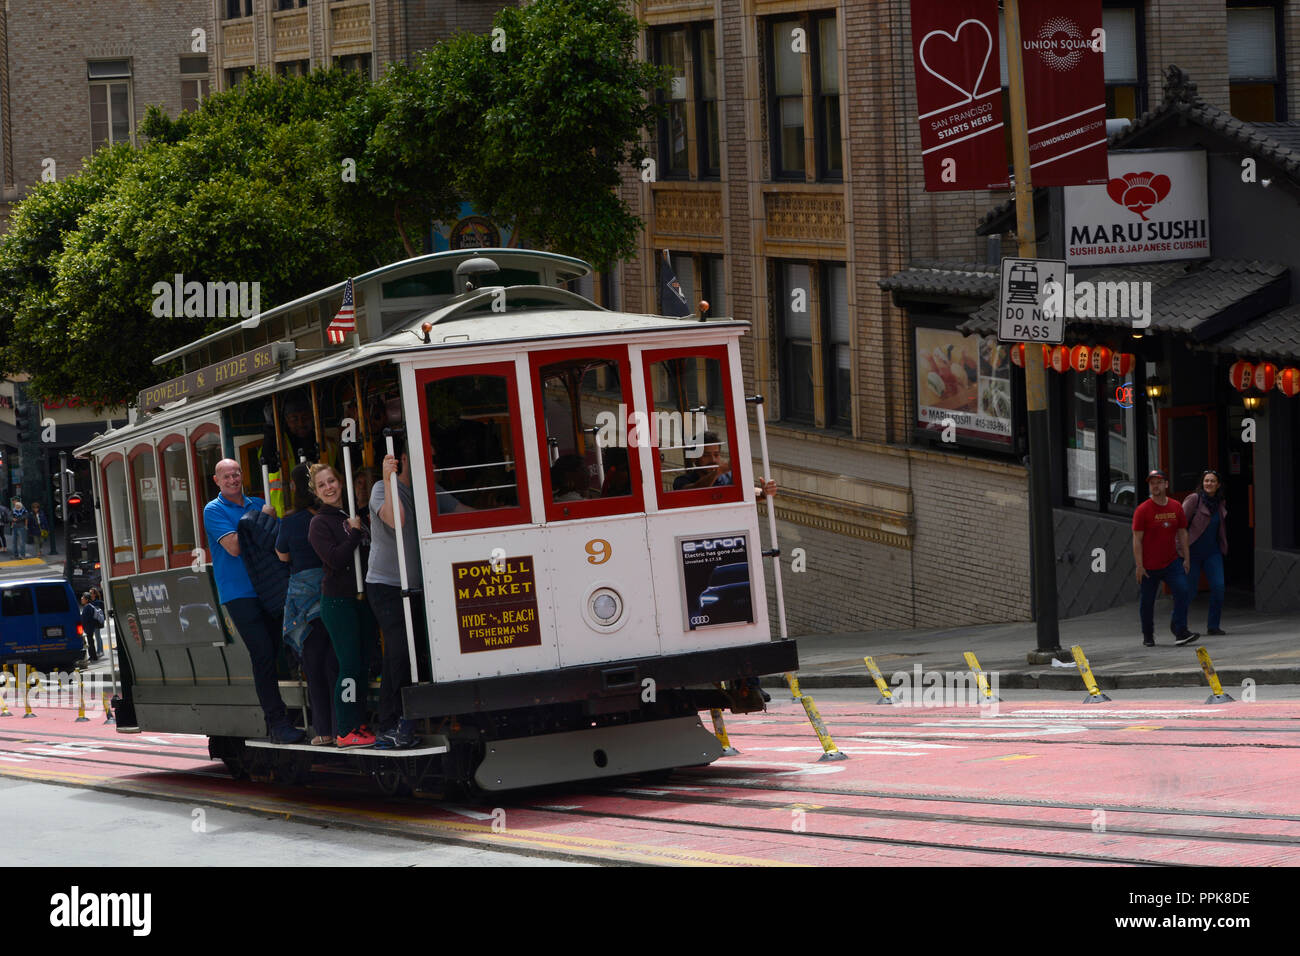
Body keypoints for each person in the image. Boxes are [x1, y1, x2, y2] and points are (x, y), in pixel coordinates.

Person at [202, 458, 305, 744]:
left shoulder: (258, 502)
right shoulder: (213, 510)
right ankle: (277, 722)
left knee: (278, 649)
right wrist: (262, 520)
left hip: (269, 587)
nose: (233, 480)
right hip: (238, 593)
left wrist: (263, 520)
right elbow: (234, 547)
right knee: (262, 654)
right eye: (227, 476)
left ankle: (295, 712)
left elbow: (278, 542)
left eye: (236, 474)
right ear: (217, 481)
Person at [307, 463, 376, 748]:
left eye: (332, 481)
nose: (329, 487)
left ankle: (359, 722)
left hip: (361, 599)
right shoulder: (320, 523)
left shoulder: (350, 515)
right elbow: (335, 560)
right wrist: (356, 534)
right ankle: (345, 728)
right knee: (348, 665)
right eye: (322, 485)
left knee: (362, 665)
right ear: (316, 491)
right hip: (338, 602)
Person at [367, 442, 426, 750]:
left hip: (416, 584)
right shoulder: (380, 488)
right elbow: (396, 519)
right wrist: (389, 479)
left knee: (409, 651)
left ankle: (400, 717)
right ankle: (389, 721)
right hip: (386, 584)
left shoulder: (427, 488)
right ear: (403, 459)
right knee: (400, 650)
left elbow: (457, 509)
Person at [276, 463, 339, 746]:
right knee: (334, 662)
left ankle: (324, 729)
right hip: (334, 590)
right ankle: (340, 727)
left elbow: (282, 556)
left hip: (305, 597)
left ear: (295, 489)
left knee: (313, 664)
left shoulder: (291, 521)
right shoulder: (331, 516)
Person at [1132, 468, 1199, 648]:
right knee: (1147, 602)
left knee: (1183, 591)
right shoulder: (1142, 510)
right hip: (1149, 565)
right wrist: (1139, 565)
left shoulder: (1176, 506)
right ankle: (1148, 634)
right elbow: (1137, 539)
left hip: (1171, 561)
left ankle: (1180, 630)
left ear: (1166, 485)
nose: (1155, 485)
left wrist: (1186, 557)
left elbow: (1183, 532)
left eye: (1159, 482)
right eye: (1152, 483)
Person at [1184, 469, 1229, 637]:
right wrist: (1180, 549)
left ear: (1218, 485)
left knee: (1218, 587)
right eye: (1206, 481)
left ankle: (1213, 626)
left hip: (1212, 552)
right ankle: (1179, 625)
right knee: (1189, 590)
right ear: (1202, 483)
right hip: (1193, 552)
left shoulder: (1220, 503)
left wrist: (1223, 545)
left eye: (1212, 481)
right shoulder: (1194, 500)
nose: (1209, 484)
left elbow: (1221, 528)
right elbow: (1180, 524)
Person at [79, 593, 100, 663]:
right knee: (91, 642)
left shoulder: (87, 607)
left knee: (90, 642)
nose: (81, 599)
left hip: (88, 627)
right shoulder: (89, 606)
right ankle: (93, 656)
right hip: (90, 627)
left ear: (86, 600)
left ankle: (93, 656)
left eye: (83, 598)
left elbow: (85, 619)